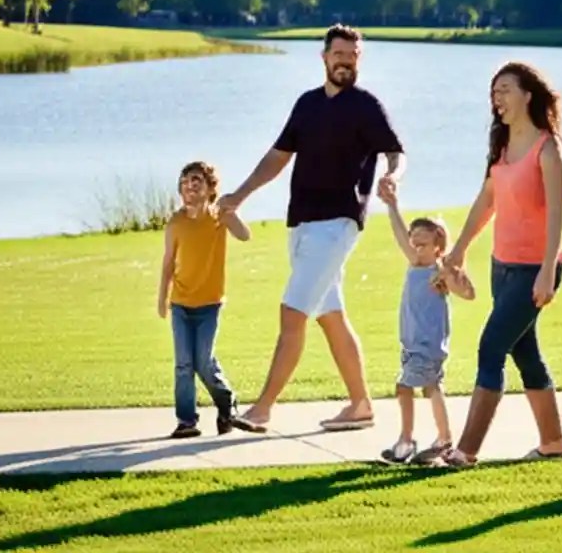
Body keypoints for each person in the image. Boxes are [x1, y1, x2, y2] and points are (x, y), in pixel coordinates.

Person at [217, 24, 406, 433]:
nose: (345, 61)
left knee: (293, 311)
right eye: (339, 54)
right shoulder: (306, 104)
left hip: (338, 223)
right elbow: (277, 157)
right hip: (301, 224)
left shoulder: (365, 106)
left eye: (353, 56)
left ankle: (263, 408)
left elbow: (395, 151)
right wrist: (239, 194)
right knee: (329, 314)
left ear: (359, 60)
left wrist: (393, 176)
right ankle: (360, 405)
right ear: (324, 57)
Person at [439, 61, 562, 468]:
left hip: (536, 268)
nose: (498, 99)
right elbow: (487, 201)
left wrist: (549, 269)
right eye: (494, 92)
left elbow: (557, 216)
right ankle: (553, 443)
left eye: (506, 90)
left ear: (528, 95)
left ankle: (466, 451)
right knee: (524, 352)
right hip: (503, 266)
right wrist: (459, 249)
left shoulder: (548, 149)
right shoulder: (502, 146)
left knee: (491, 346)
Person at [378, 185, 475, 464]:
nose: (415, 248)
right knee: (432, 387)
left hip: (426, 344)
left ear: (438, 248)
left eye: (422, 244)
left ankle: (406, 441)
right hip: (412, 343)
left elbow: (469, 294)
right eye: (413, 242)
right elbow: (399, 234)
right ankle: (444, 438)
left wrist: (451, 272)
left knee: (404, 387)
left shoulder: (438, 274)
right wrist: (392, 205)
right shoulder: (415, 265)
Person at [157, 161, 251, 439]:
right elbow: (168, 263)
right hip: (181, 304)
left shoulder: (218, 218)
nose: (190, 185)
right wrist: (162, 298)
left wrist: (230, 214)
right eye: (185, 181)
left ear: (210, 188)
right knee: (184, 364)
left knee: (203, 361)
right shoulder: (176, 223)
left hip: (210, 304)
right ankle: (187, 421)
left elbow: (245, 235)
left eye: (197, 180)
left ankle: (227, 404)